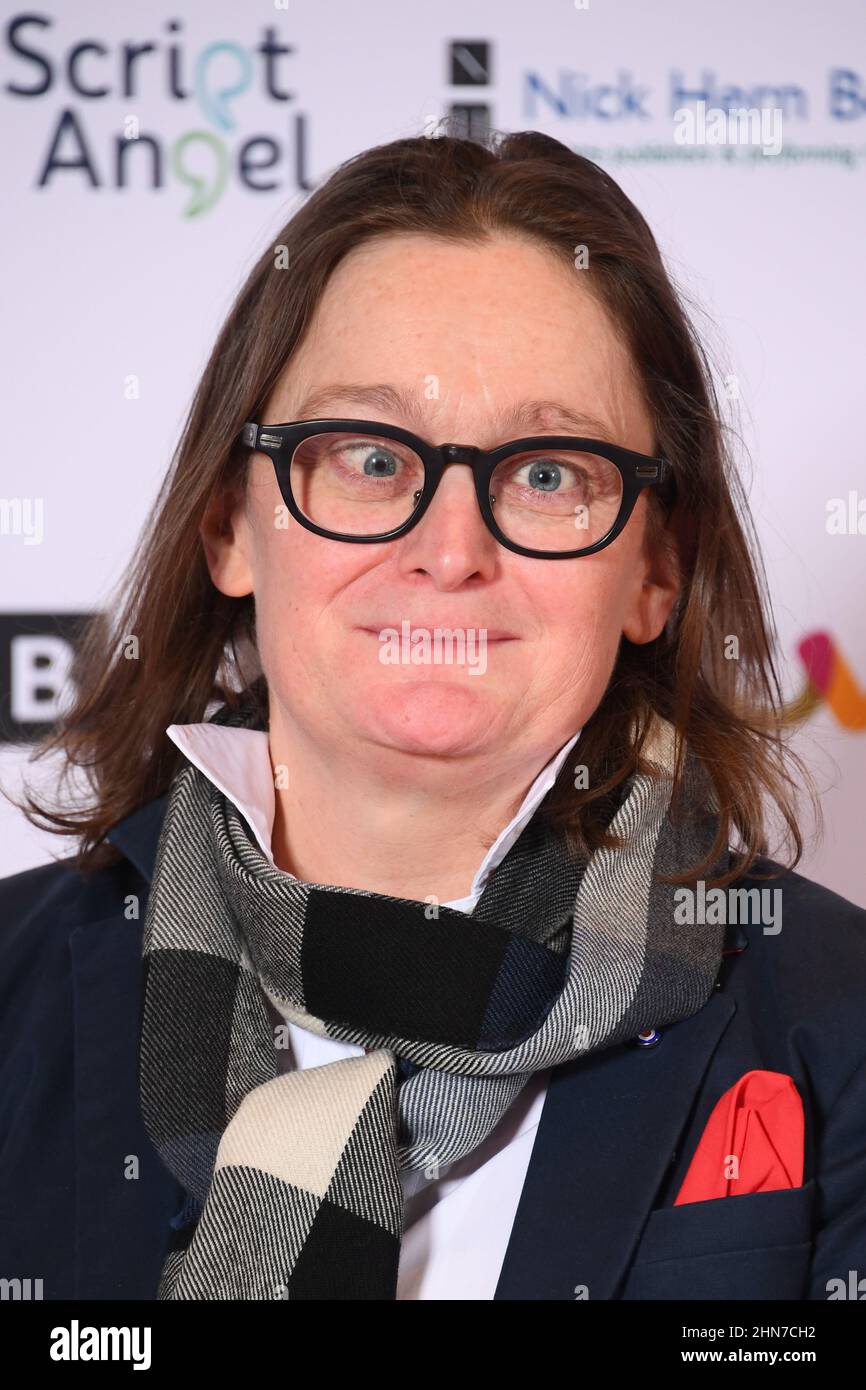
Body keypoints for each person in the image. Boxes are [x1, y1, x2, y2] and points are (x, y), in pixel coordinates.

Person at [1, 128, 864, 1302]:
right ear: (229, 526)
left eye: (548, 470)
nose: (449, 550)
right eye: (365, 455)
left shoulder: (839, 1019)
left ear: (655, 567)